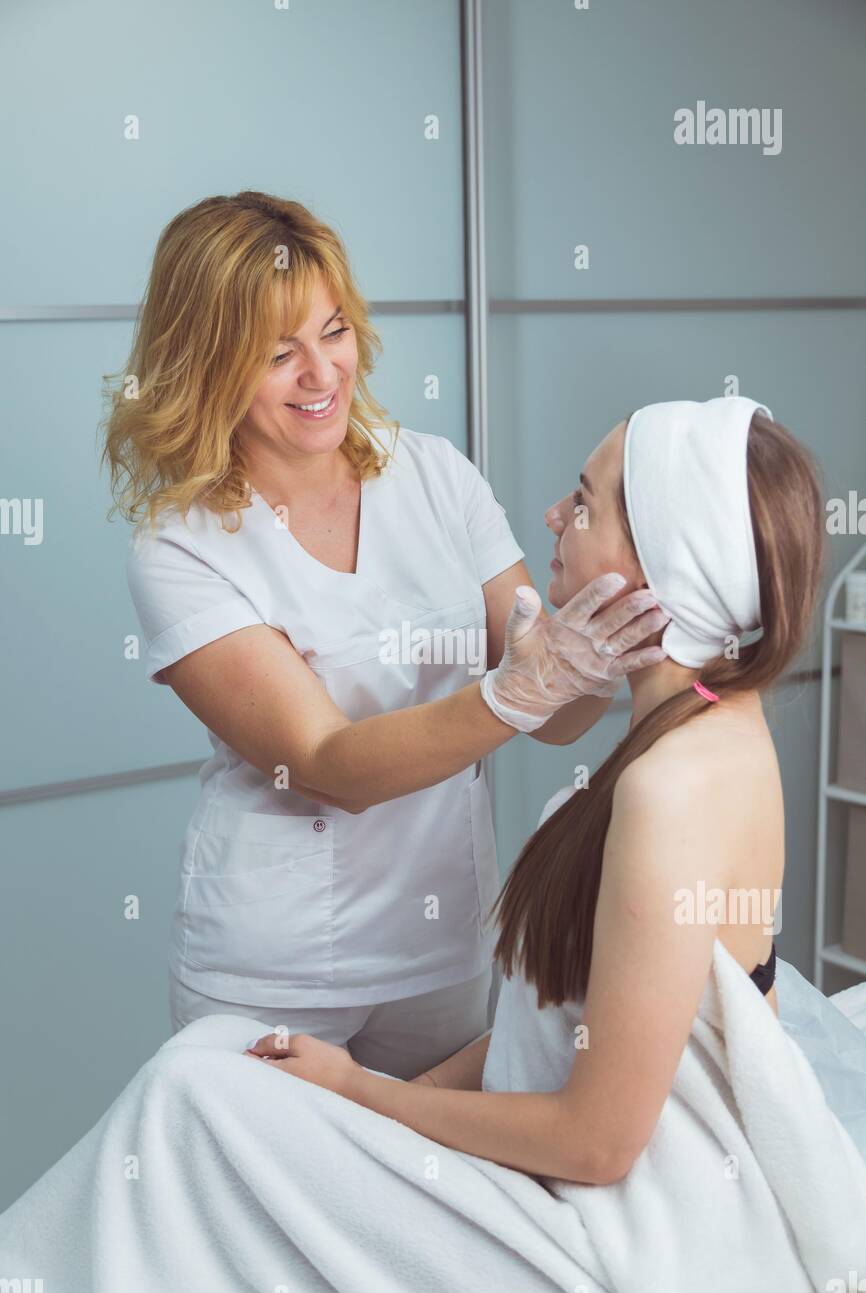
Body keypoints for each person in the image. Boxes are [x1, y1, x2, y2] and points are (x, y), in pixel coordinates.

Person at [7, 397, 863, 1293]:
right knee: (201, 1072)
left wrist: (362, 1094)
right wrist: (353, 1090)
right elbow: (329, 763)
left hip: (603, 1223)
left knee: (184, 1110)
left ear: (658, 566)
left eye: (583, 501)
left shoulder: (670, 786)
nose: (552, 519)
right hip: (310, 966)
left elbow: (598, 1140)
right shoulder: (720, 718)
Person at [108, 190, 667, 1072]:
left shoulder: (436, 477)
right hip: (275, 963)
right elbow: (329, 765)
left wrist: (588, 662)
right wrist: (515, 690)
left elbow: (555, 717)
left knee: (425, 1191)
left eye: (334, 332)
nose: (323, 375)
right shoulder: (181, 547)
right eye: (277, 353)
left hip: (441, 941)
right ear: (205, 365)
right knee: (266, 1203)